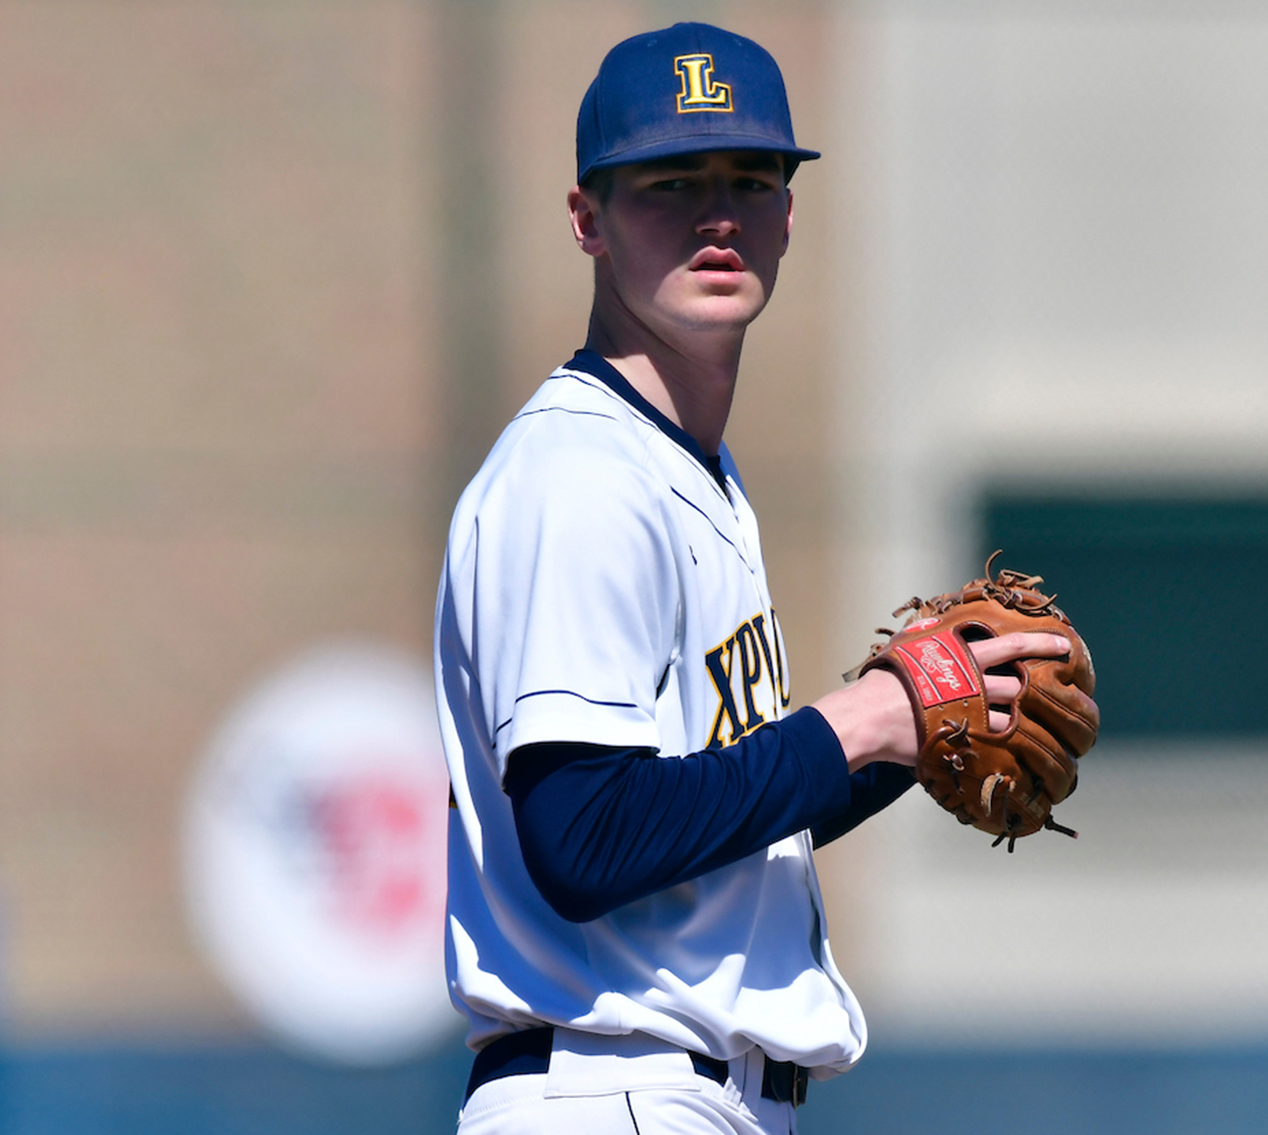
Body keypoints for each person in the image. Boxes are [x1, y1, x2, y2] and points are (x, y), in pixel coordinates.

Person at [434, 22, 1069, 1135]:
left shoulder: (692, 471)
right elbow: (583, 839)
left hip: (668, 1091)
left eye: (747, 179)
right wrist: (862, 718)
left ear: (788, 212)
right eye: (667, 183)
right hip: (612, 1084)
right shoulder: (578, 474)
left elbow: (703, 834)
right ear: (585, 216)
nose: (715, 215)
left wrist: (918, 725)